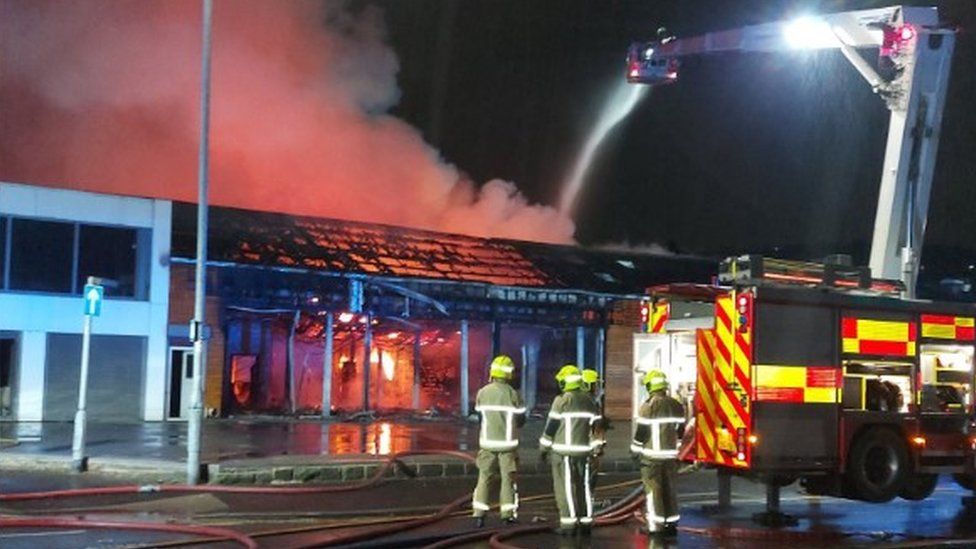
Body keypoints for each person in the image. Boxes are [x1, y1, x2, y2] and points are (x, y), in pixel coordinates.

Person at [539, 364, 603, 535]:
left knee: (565, 488)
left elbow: (551, 428)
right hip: (584, 452)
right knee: (583, 486)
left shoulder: (561, 401)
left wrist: (543, 448)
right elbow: (596, 428)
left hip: (563, 453)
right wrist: (596, 451)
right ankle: (585, 522)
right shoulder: (590, 402)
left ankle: (568, 525)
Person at [471, 355, 526, 527]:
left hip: (487, 444)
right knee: (508, 479)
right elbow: (521, 420)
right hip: (507, 446)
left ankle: (479, 515)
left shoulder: (483, 392)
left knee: (484, 478)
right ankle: (507, 515)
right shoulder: (513, 394)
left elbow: (480, 415)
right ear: (510, 374)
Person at [631, 369, 685, 538]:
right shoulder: (676, 405)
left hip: (652, 457)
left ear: (649, 386)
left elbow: (641, 432)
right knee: (669, 490)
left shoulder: (648, 406)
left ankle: (655, 526)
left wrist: (635, 451)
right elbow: (680, 431)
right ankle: (671, 523)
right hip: (670, 456)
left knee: (654, 491)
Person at [581, 369, 607, 494]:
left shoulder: (576, 401)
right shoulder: (593, 404)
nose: (597, 388)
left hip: (577, 447)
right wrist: (598, 450)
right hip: (589, 449)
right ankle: (587, 502)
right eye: (595, 384)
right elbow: (597, 428)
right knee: (589, 478)